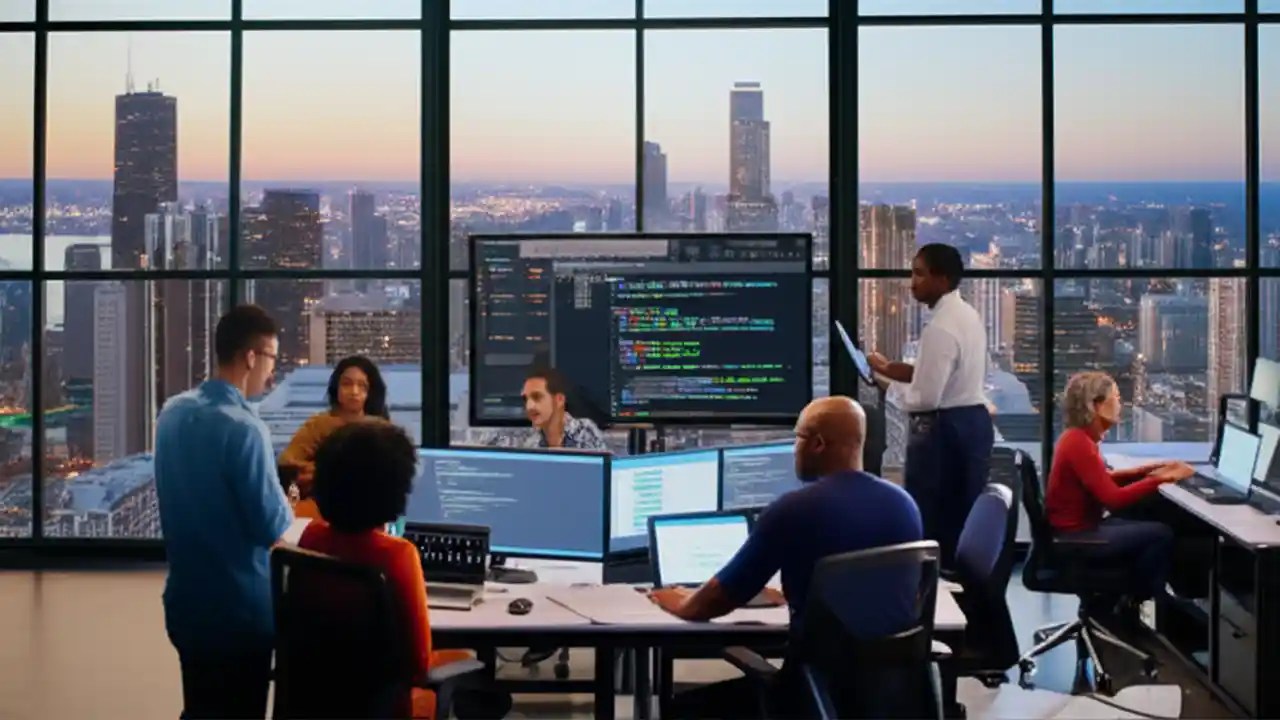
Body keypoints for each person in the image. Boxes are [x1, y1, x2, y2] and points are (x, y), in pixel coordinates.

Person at [649, 396, 923, 718]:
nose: (794, 448)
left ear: (818, 443)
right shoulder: (904, 506)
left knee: (681, 710)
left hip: (807, 697)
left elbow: (714, 600)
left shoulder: (794, 510)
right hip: (889, 698)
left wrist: (676, 600)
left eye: (798, 438)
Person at [298, 422, 510, 719]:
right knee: (487, 688)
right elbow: (417, 665)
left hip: (318, 703)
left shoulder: (311, 537)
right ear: (394, 489)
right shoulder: (396, 555)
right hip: (387, 708)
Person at [154, 304, 293, 719]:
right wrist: (286, 501)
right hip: (238, 613)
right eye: (271, 359)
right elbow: (271, 527)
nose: (272, 372)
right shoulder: (245, 428)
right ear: (251, 357)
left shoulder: (172, 413)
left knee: (199, 709)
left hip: (187, 605)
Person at [868, 243, 993, 570]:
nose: (912, 282)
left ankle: (935, 601)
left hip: (945, 432)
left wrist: (887, 386)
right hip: (971, 424)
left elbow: (925, 399)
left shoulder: (940, 328)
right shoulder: (966, 314)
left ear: (942, 279)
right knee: (961, 517)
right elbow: (945, 372)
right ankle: (961, 597)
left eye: (920, 274)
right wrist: (894, 368)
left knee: (934, 521)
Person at [1045, 371, 1194, 614]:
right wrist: (1164, 479)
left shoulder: (1076, 438)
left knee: (1145, 520)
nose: (1120, 404)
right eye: (1115, 397)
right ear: (1096, 405)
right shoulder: (1079, 444)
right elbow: (1113, 499)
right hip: (1077, 536)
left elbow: (1101, 480)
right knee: (1160, 533)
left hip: (1075, 529)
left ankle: (1122, 601)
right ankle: (1136, 600)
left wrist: (1150, 470)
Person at [279, 355, 390, 511]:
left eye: (362, 386)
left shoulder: (382, 430)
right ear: (336, 388)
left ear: (370, 391)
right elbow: (287, 462)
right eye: (347, 384)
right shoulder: (319, 425)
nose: (354, 391)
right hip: (322, 509)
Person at [514, 366, 606, 450]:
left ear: (559, 400)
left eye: (537, 397)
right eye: (525, 399)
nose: (529, 406)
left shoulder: (584, 431)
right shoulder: (529, 440)